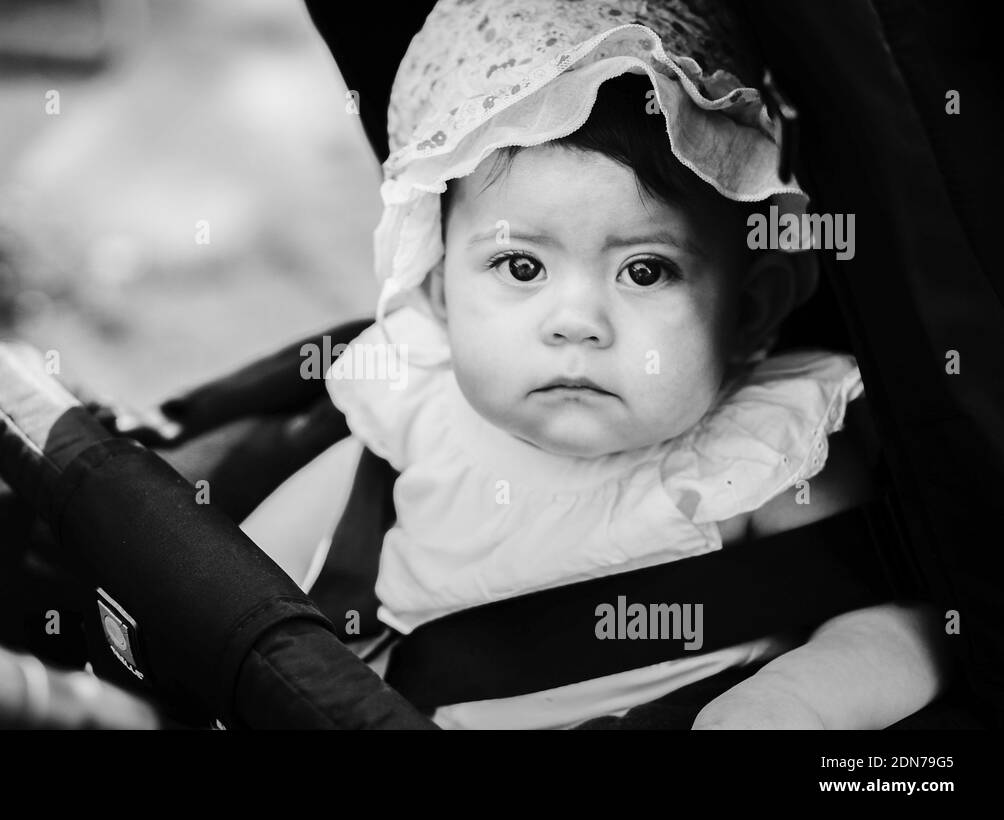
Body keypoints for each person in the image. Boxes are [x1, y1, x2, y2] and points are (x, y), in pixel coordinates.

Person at [241, 0, 948, 729]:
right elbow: (246, 592)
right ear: (437, 290)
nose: (577, 322)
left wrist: (789, 705)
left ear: (750, 308)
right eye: (520, 265)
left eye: (645, 271)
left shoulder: (769, 452)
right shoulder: (415, 407)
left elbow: (898, 627)